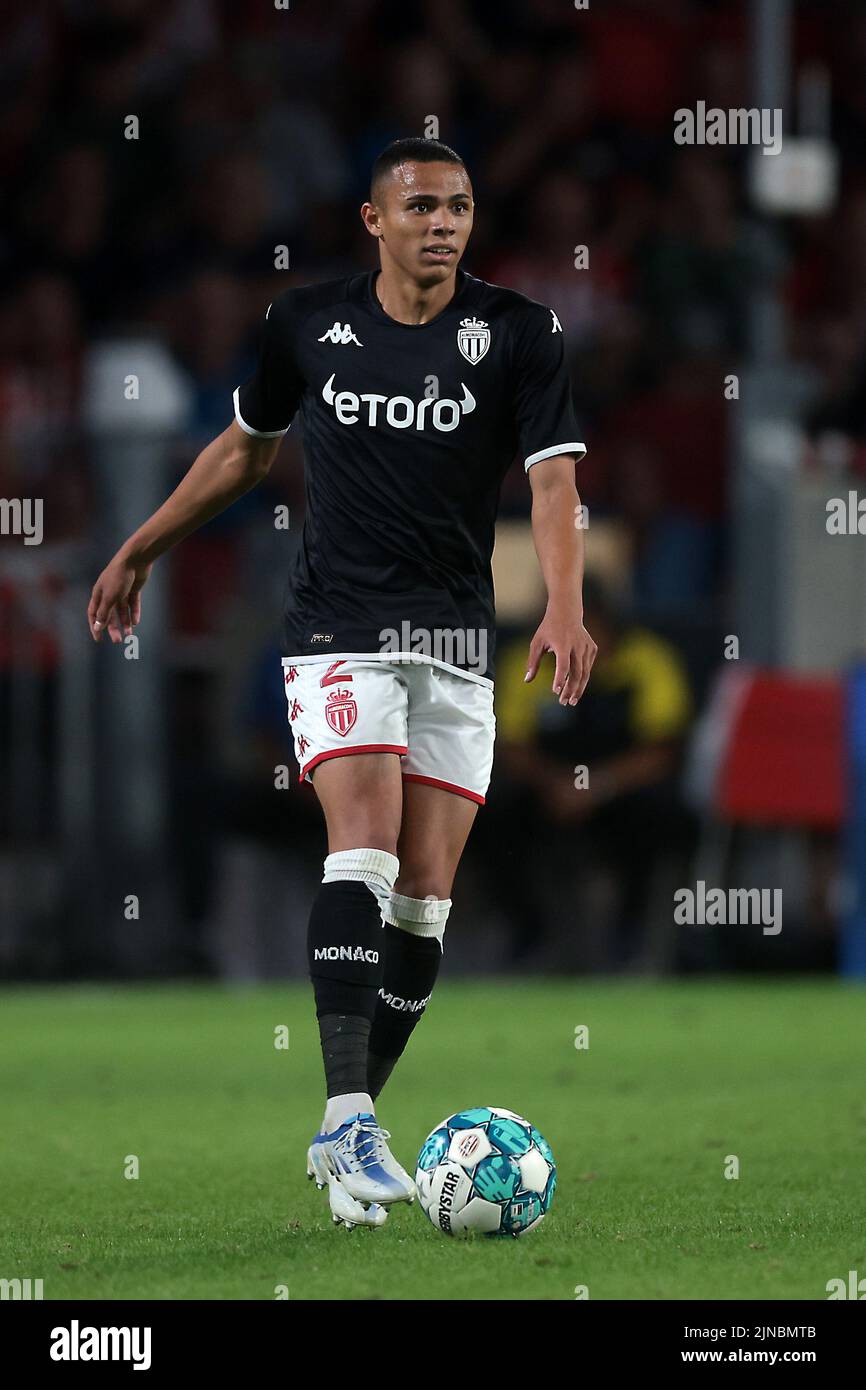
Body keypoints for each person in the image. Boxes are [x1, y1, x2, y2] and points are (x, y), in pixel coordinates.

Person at [87, 137, 595, 1230]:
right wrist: (142, 546)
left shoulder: (519, 333)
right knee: (362, 846)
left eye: (457, 206)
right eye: (419, 207)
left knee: (424, 904)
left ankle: (349, 1129)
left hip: (454, 640)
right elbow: (244, 449)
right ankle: (349, 1114)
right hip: (338, 628)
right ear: (374, 221)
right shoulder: (305, 323)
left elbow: (554, 481)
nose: (441, 224)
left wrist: (564, 601)